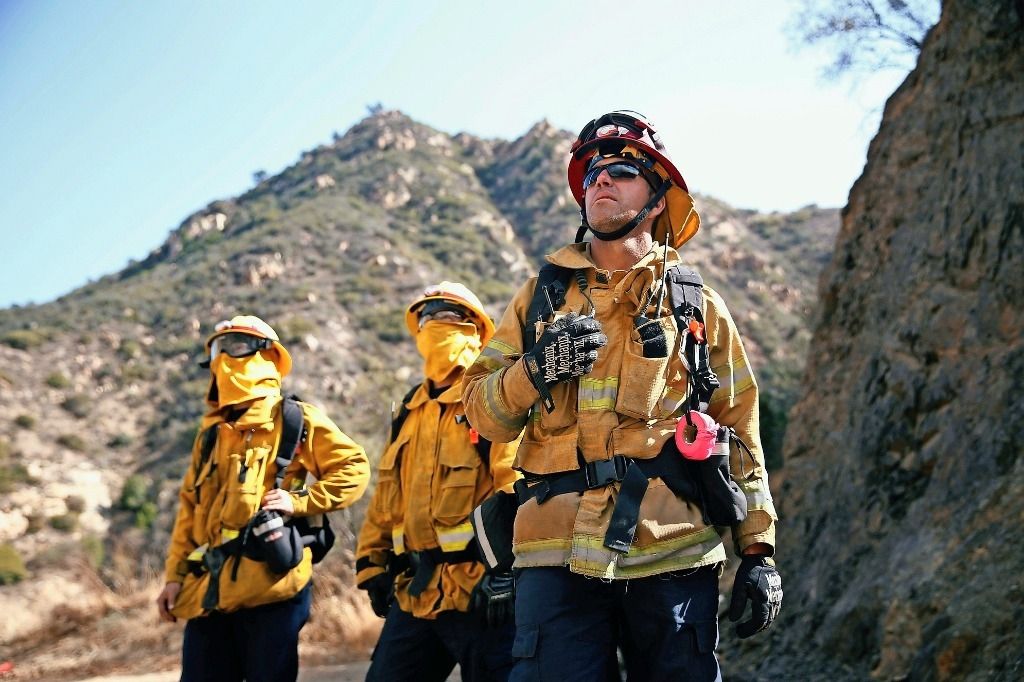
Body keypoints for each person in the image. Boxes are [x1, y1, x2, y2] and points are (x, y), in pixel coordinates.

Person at [462, 110, 783, 681]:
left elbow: (741, 427)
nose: (601, 181)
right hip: (553, 553)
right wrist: (534, 371)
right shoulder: (538, 298)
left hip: (673, 554)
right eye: (591, 175)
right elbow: (482, 415)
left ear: (658, 199)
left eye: (622, 170)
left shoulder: (697, 305)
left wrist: (758, 553)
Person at [155, 315, 370, 682]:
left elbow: (354, 468)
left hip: (272, 590)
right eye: (218, 350)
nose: (225, 358)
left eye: (237, 346)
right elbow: (189, 511)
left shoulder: (294, 419)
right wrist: (174, 577)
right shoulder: (211, 435)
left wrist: (298, 501)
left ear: (267, 356)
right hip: (211, 591)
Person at [356, 282, 522, 682]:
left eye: (447, 316)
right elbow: (386, 499)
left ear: (475, 329)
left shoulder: (487, 400)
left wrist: (507, 573)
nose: (434, 325)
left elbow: (516, 485)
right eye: (426, 318)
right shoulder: (410, 411)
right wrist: (371, 565)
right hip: (417, 595)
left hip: (481, 595)